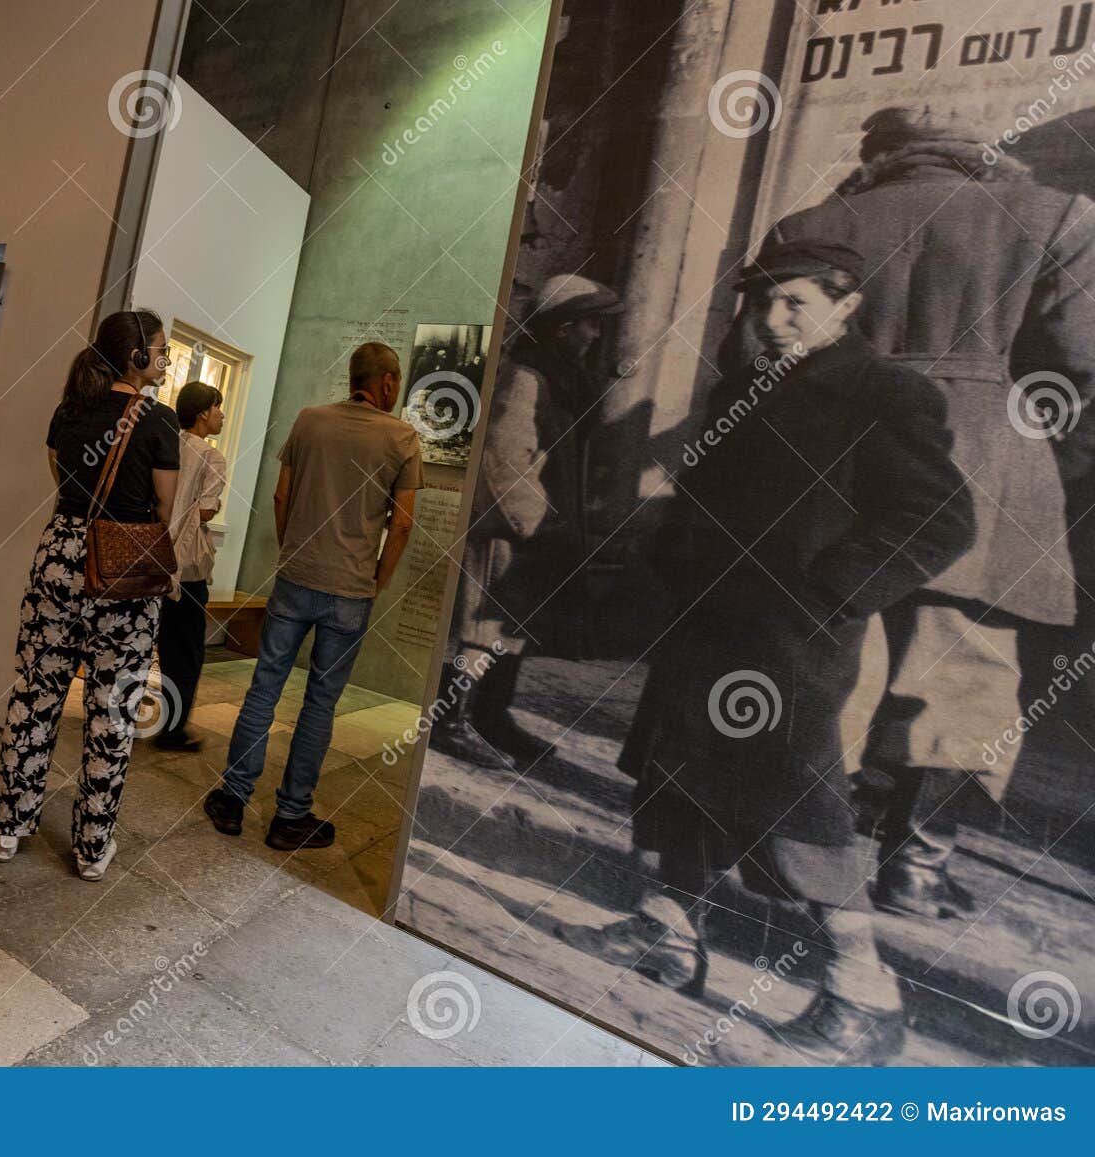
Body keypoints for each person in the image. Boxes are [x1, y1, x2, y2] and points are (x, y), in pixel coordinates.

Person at [579, 239, 976, 1064]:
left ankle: (863, 992)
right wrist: (668, 565)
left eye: (794, 302)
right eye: (763, 304)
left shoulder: (884, 391)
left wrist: (830, 590)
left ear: (846, 301)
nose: (773, 318)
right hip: (709, 619)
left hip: (790, 634)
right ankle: (665, 932)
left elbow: (939, 521)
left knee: (796, 798)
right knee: (676, 770)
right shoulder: (752, 386)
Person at [767, 105, 1095, 919]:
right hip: (988, 466)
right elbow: (1081, 362)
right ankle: (917, 869)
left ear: (880, 154)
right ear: (980, 153)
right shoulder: (1061, 215)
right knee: (967, 675)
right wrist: (1038, 447)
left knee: (835, 662)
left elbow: (757, 356)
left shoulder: (809, 224)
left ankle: (807, 861)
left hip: (835, 467)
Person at [203, 342, 422, 850]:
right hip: (350, 591)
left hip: (296, 579)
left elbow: (281, 495)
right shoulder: (403, 437)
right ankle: (290, 818)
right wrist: (375, 582)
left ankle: (233, 801)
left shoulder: (309, 421)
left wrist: (292, 552)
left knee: (264, 688)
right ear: (387, 383)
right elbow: (404, 523)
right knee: (320, 704)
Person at [0, 308, 179, 881]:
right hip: (122, 567)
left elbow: (62, 481)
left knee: (36, 693)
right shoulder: (160, 421)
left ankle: (8, 827)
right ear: (136, 357)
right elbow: (163, 509)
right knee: (112, 708)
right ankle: (92, 848)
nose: (165, 359)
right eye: (160, 350)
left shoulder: (68, 411)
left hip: (60, 555)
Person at [432, 275, 621, 770]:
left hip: (541, 529)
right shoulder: (527, 378)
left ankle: (492, 715)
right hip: (509, 529)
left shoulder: (563, 378)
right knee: (484, 623)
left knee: (511, 624)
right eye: (589, 325)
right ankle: (451, 720)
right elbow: (504, 459)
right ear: (562, 329)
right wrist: (533, 525)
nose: (596, 336)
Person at [155, 381, 228, 752]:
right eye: (218, 407)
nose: (222, 414)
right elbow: (205, 509)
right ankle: (173, 728)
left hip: (152, 557)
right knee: (185, 651)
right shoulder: (211, 456)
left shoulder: (168, 444)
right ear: (203, 413)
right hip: (187, 567)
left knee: (154, 642)